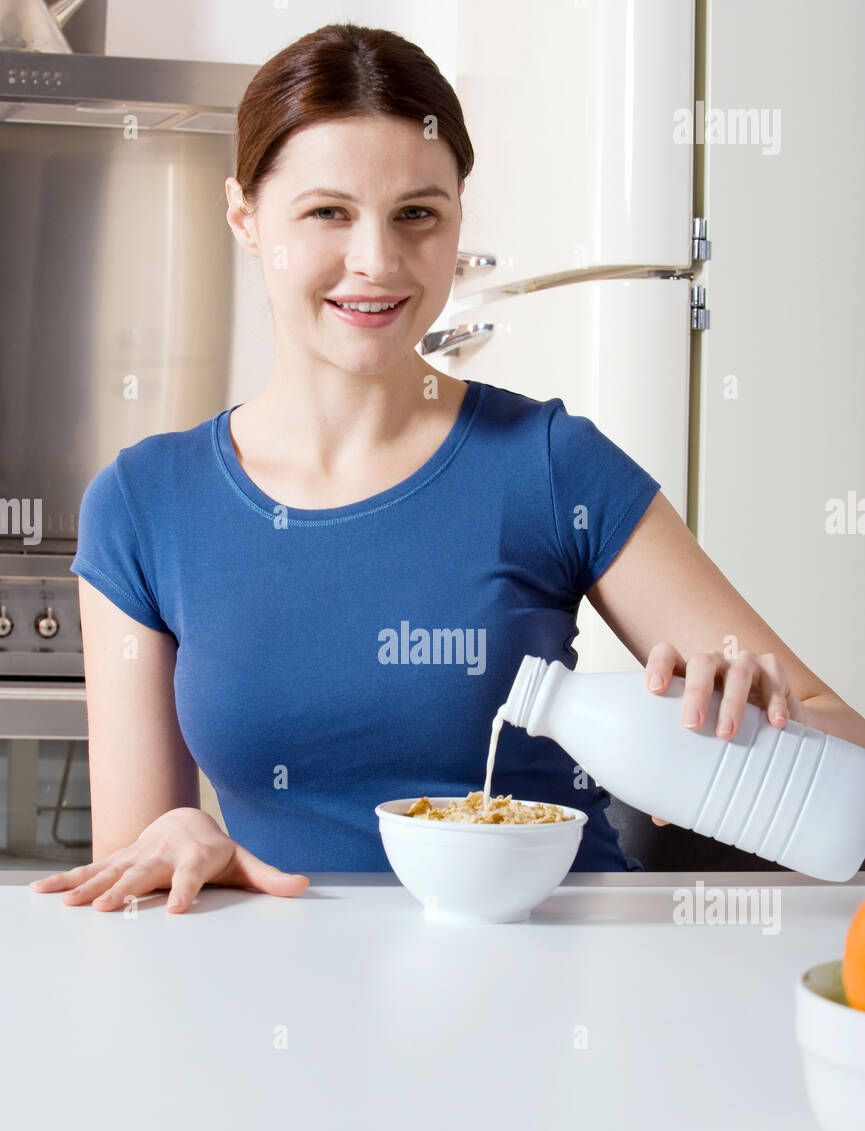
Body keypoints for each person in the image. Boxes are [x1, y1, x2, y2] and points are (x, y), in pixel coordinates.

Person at [31, 22, 865, 914]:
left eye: (416, 214)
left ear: (458, 218)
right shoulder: (143, 504)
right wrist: (178, 833)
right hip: (279, 1004)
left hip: (568, 985)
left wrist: (765, 712)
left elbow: (843, 753)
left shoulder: (550, 465)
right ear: (245, 218)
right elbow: (131, 866)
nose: (376, 262)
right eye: (327, 213)